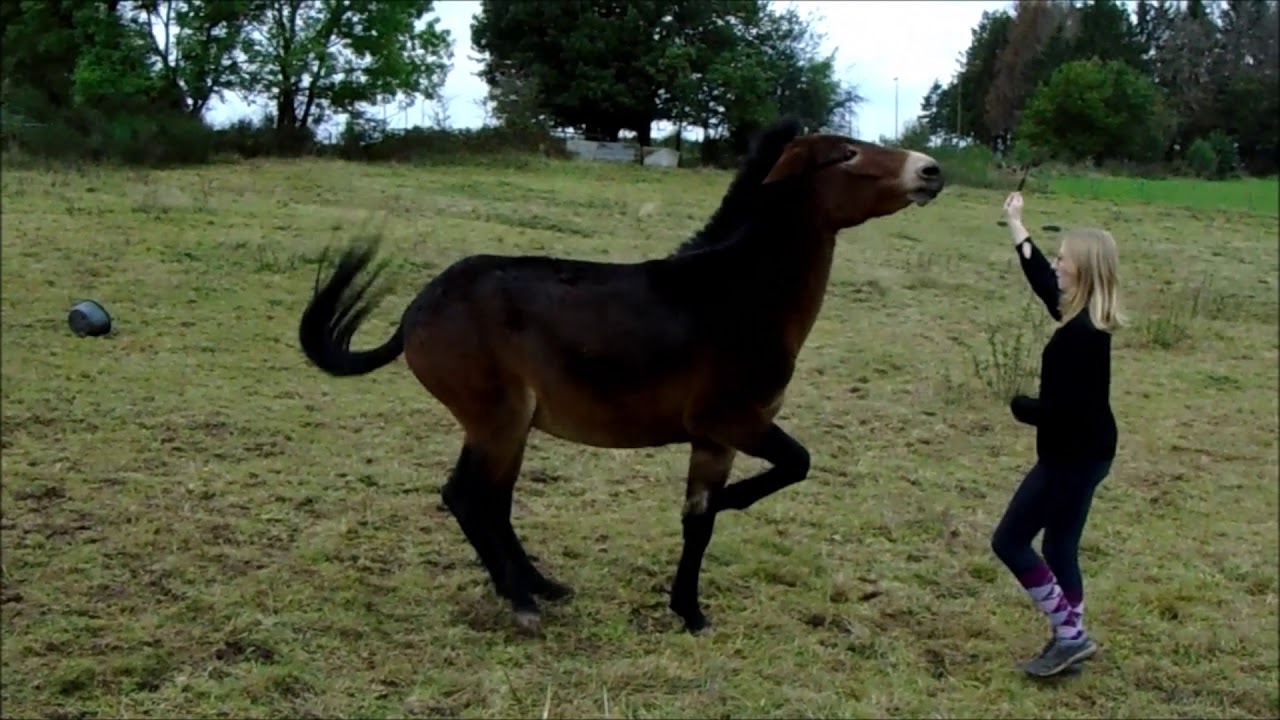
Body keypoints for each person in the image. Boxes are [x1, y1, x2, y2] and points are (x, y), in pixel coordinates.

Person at [990, 190, 1123, 678]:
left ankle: (1071, 636)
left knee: (1010, 542)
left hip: (1070, 457)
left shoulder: (1079, 338)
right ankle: (1071, 641)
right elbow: (1042, 279)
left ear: (1083, 272)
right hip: (1091, 453)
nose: (1058, 264)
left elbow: (1064, 411)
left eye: (1065, 258)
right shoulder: (1084, 316)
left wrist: (1021, 405)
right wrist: (1015, 223)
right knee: (1060, 548)